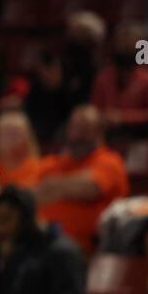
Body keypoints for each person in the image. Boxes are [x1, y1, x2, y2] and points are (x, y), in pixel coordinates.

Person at [33, 105, 129, 253]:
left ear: (100, 132)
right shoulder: (54, 162)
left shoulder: (110, 161)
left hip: (84, 249)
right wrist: (65, 188)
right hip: (39, 241)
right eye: (75, 129)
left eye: (85, 130)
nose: (78, 136)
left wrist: (49, 186)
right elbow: (29, 193)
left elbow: (89, 188)